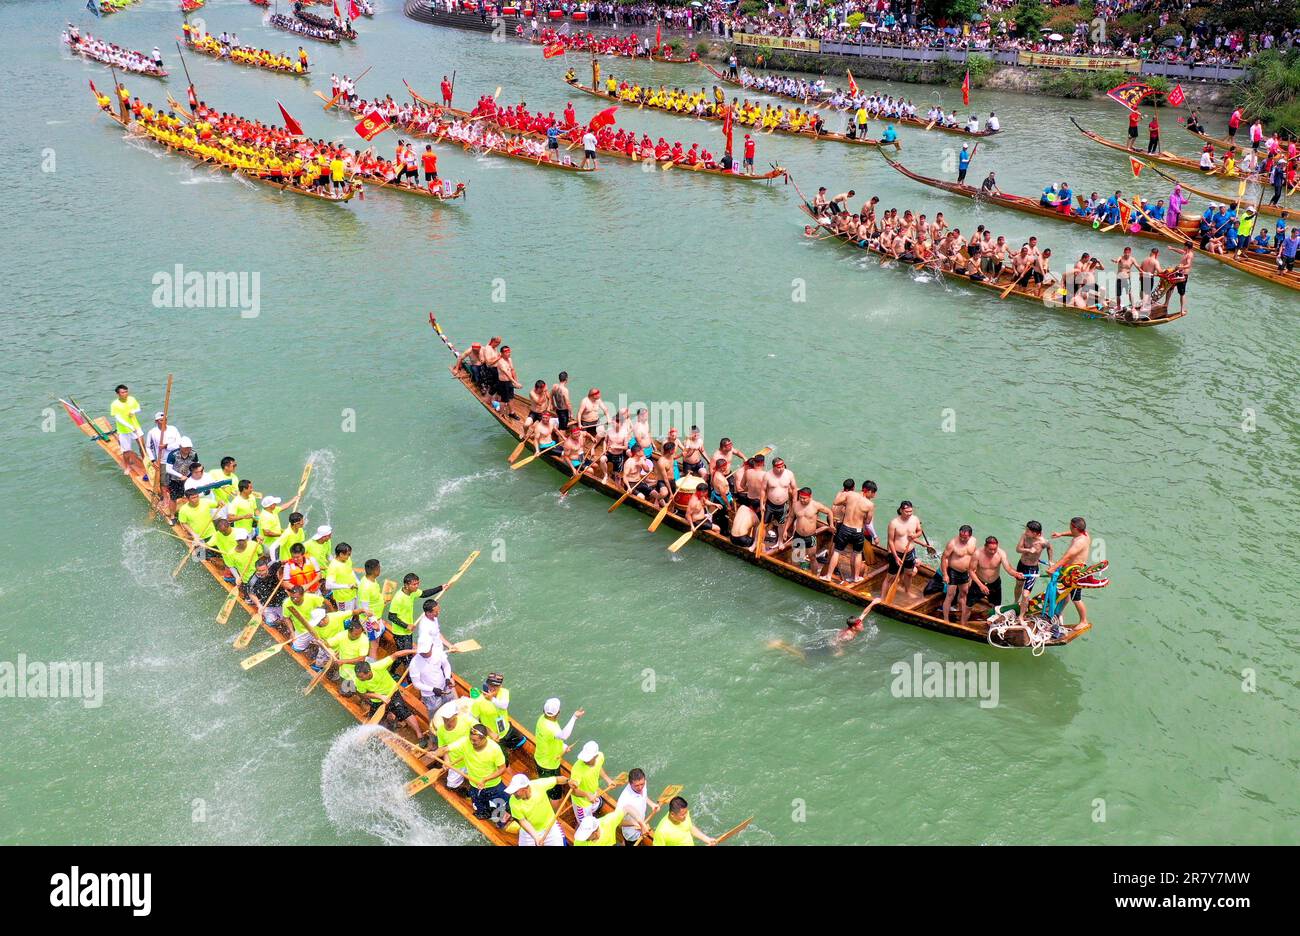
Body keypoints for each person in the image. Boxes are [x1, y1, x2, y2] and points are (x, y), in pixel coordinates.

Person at [534, 697, 583, 800]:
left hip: (541, 759)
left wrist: (563, 747)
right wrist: (574, 717)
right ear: (558, 713)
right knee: (555, 796)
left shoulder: (542, 719)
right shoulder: (551, 727)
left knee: (548, 788)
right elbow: (564, 736)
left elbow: (552, 739)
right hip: (549, 766)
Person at [1047, 517, 1092, 630]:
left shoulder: (1079, 542)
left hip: (1075, 573)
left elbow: (1067, 557)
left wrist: (1053, 568)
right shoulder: (1084, 534)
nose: (1069, 527)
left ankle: (1084, 621)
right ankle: (1058, 612)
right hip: (1070, 570)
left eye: (1070, 526)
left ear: (1075, 528)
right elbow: (1073, 533)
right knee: (1064, 592)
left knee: (1076, 598)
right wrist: (1061, 534)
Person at [505, 773, 573, 846]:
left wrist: (569, 781)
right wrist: (536, 837)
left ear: (524, 789)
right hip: (529, 832)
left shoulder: (539, 785)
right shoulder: (513, 801)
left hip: (550, 826)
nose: (513, 794)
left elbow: (557, 779)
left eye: (515, 792)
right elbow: (523, 821)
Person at [969, 536, 1024, 612]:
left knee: (996, 606)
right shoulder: (977, 554)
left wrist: (1016, 574)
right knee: (969, 604)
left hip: (995, 583)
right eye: (990, 549)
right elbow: (971, 571)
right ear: (985, 546)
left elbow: (1008, 568)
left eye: (995, 549)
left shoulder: (1001, 553)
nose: (993, 552)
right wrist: (981, 585)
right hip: (979, 582)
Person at [940, 525, 978, 626]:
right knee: (950, 595)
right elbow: (944, 558)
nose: (962, 539)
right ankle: (946, 619)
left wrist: (973, 573)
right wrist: (945, 574)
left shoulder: (973, 541)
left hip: (965, 572)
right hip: (953, 571)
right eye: (960, 536)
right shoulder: (952, 543)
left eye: (965, 537)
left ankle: (961, 617)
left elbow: (975, 557)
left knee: (964, 594)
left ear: (970, 536)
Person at [570, 740, 614, 826]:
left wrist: (607, 779)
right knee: (585, 825)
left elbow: (598, 767)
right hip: (582, 803)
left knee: (598, 804)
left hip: (593, 794)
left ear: (596, 756)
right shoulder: (577, 769)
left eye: (588, 758)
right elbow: (573, 791)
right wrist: (587, 795)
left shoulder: (600, 757)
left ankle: (592, 814)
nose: (585, 760)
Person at [614, 768, 659, 845]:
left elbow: (643, 796)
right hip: (631, 834)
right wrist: (636, 823)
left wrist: (651, 804)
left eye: (642, 784)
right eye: (637, 786)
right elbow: (617, 822)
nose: (640, 787)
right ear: (630, 783)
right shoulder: (624, 801)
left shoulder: (642, 784)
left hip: (641, 825)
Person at [110, 384, 146, 477]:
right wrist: (129, 426)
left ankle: (146, 462)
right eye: (122, 392)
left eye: (126, 392)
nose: (125, 394)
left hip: (136, 426)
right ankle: (127, 466)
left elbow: (138, 408)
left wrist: (133, 411)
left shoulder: (132, 399)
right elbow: (118, 418)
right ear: (118, 394)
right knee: (126, 451)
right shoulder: (115, 404)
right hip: (124, 430)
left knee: (142, 445)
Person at [1014, 520, 1051, 605]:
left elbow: (1049, 548)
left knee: (1025, 594)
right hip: (1021, 565)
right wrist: (1028, 550)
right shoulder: (1024, 536)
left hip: (1032, 568)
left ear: (1034, 533)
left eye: (1028, 530)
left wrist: (1050, 560)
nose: (1025, 532)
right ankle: (1015, 602)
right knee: (1018, 585)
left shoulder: (1043, 542)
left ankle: (1023, 605)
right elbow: (1018, 549)